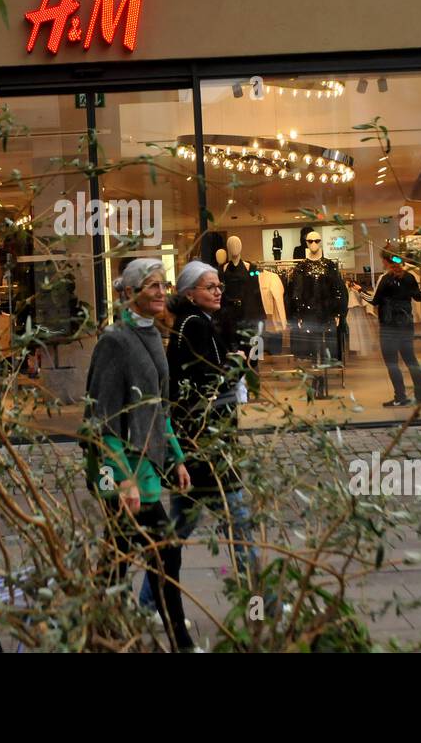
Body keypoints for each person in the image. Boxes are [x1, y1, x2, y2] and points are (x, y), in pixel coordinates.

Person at [83, 258, 196, 652]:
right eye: (152, 285)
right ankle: (178, 641)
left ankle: (100, 633)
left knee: (118, 557)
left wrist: (176, 457)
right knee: (164, 553)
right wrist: (124, 479)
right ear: (130, 293)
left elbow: (158, 407)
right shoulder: (115, 341)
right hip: (119, 469)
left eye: (164, 284)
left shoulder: (152, 334)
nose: (162, 292)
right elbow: (102, 420)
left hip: (143, 466)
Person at [139, 260, 261, 613]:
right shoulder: (195, 325)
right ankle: (262, 602)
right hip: (209, 449)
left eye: (220, 285)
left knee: (178, 532)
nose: (218, 291)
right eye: (210, 287)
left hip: (197, 447)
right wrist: (237, 363)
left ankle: (147, 603)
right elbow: (209, 383)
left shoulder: (194, 322)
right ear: (190, 293)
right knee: (239, 525)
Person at [349, 247, 421, 408]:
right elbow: (419, 297)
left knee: (392, 363)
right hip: (406, 324)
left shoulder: (385, 279)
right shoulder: (409, 277)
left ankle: (400, 397)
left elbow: (374, 301)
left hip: (389, 326)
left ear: (386, 261)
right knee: (410, 359)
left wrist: (360, 290)